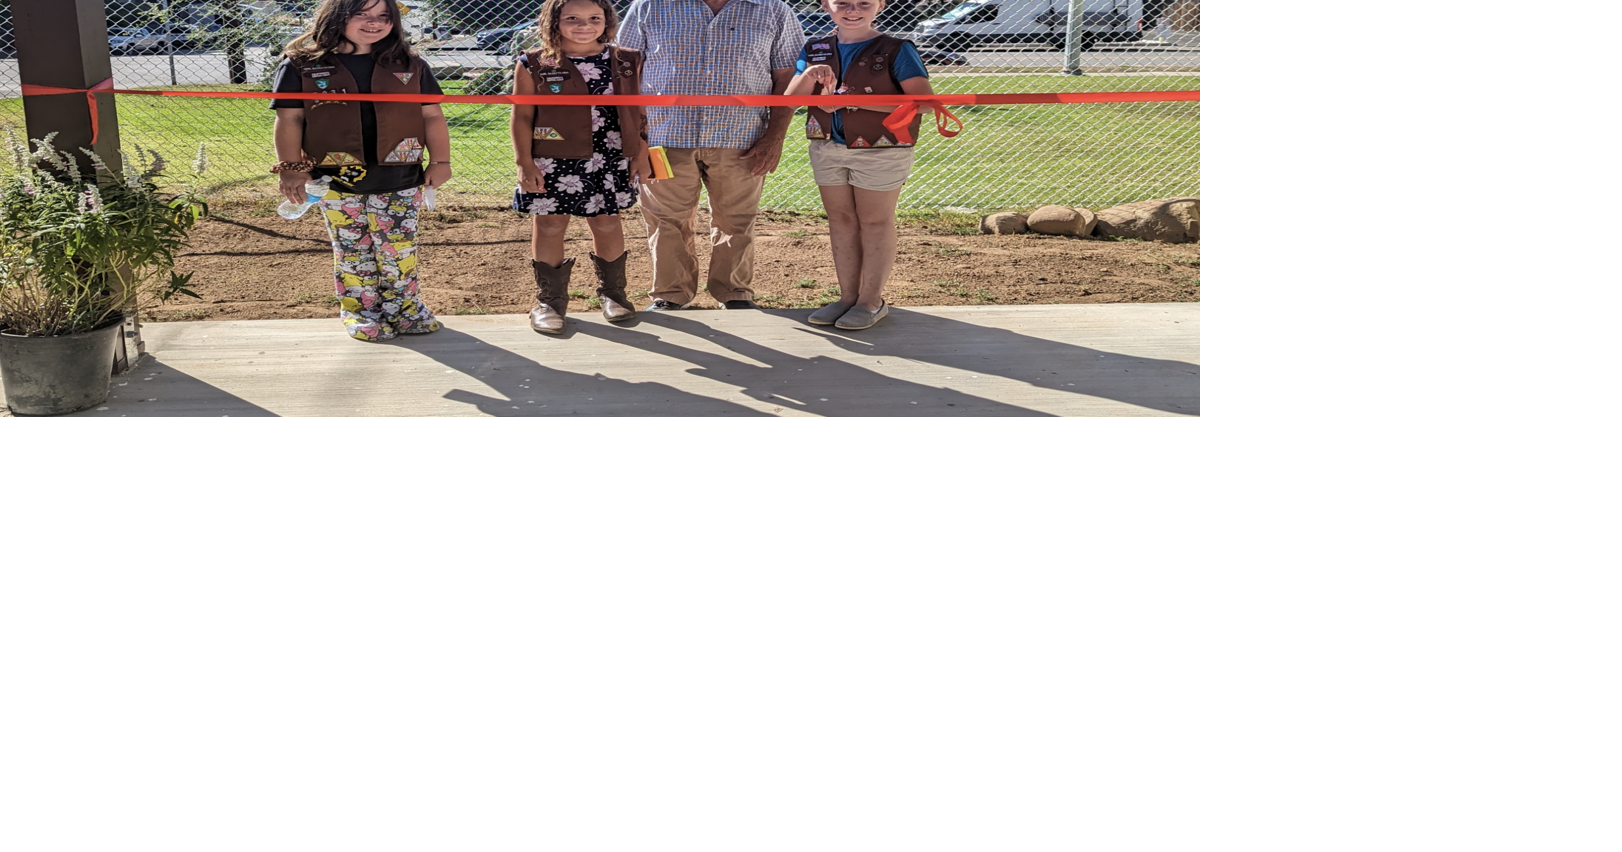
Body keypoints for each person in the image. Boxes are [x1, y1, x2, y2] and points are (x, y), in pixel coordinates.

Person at [270, 0, 451, 342]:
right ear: (336, 15)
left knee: (398, 247)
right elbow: (289, 118)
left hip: (399, 178)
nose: (374, 22)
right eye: (362, 14)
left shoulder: (410, 65)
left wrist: (440, 162)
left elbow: (432, 116)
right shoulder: (301, 65)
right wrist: (291, 168)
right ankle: (362, 312)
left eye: (383, 15)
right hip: (335, 182)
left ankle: (406, 310)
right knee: (352, 249)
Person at [616, 0, 805, 311]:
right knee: (665, 220)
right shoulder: (650, 6)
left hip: (742, 138)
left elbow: (786, 78)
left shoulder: (774, 10)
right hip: (664, 137)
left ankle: (734, 293)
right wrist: (636, 136)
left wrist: (776, 135)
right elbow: (625, 72)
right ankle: (670, 294)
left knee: (737, 219)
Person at [783, 0, 933, 330]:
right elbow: (791, 101)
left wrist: (852, 99)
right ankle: (848, 297)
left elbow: (923, 103)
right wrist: (808, 74)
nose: (853, 10)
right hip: (826, 145)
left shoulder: (896, 49)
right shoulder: (815, 48)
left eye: (864, 3)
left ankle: (871, 301)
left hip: (881, 149)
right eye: (843, 4)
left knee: (875, 220)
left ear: (880, 5)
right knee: (840, 220)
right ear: (826, 5)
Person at [511, 0, 651, 334]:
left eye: (593, 18)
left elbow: (640, 110)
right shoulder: (534, 63)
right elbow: (522, 115)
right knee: (549, 225)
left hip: (609, 155)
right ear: (553, 21)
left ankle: (613, 294)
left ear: (607, 21)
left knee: (606, 222)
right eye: (572, 18)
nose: (583, 25)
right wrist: (524, 161)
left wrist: (641, 151)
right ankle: (549, 301)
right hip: (551, 159)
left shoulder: (626, 60)